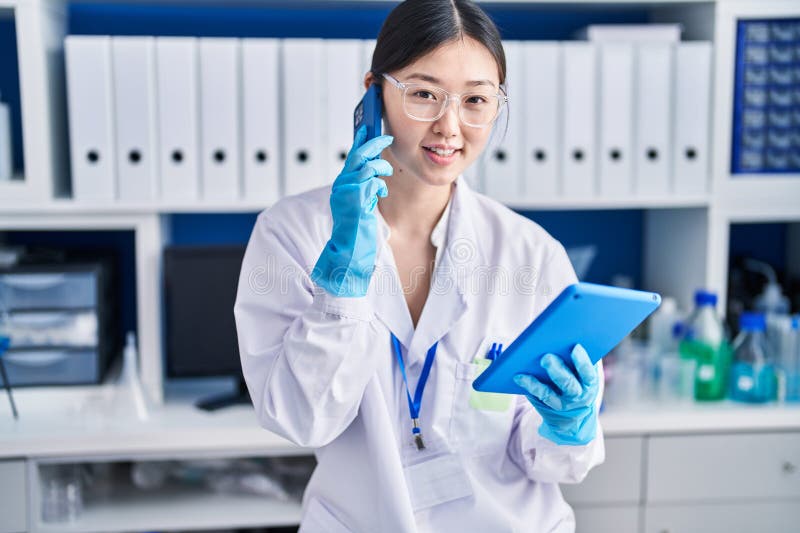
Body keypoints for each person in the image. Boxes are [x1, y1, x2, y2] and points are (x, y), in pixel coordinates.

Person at [234, 1, 605, 531]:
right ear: (374, 93)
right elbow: (301, 419)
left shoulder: (531, 254)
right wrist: (340, 288)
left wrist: (568, 425)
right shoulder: (294, 233)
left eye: (476, 100)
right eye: (424, 94)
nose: (450, 127)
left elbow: (548, 461)